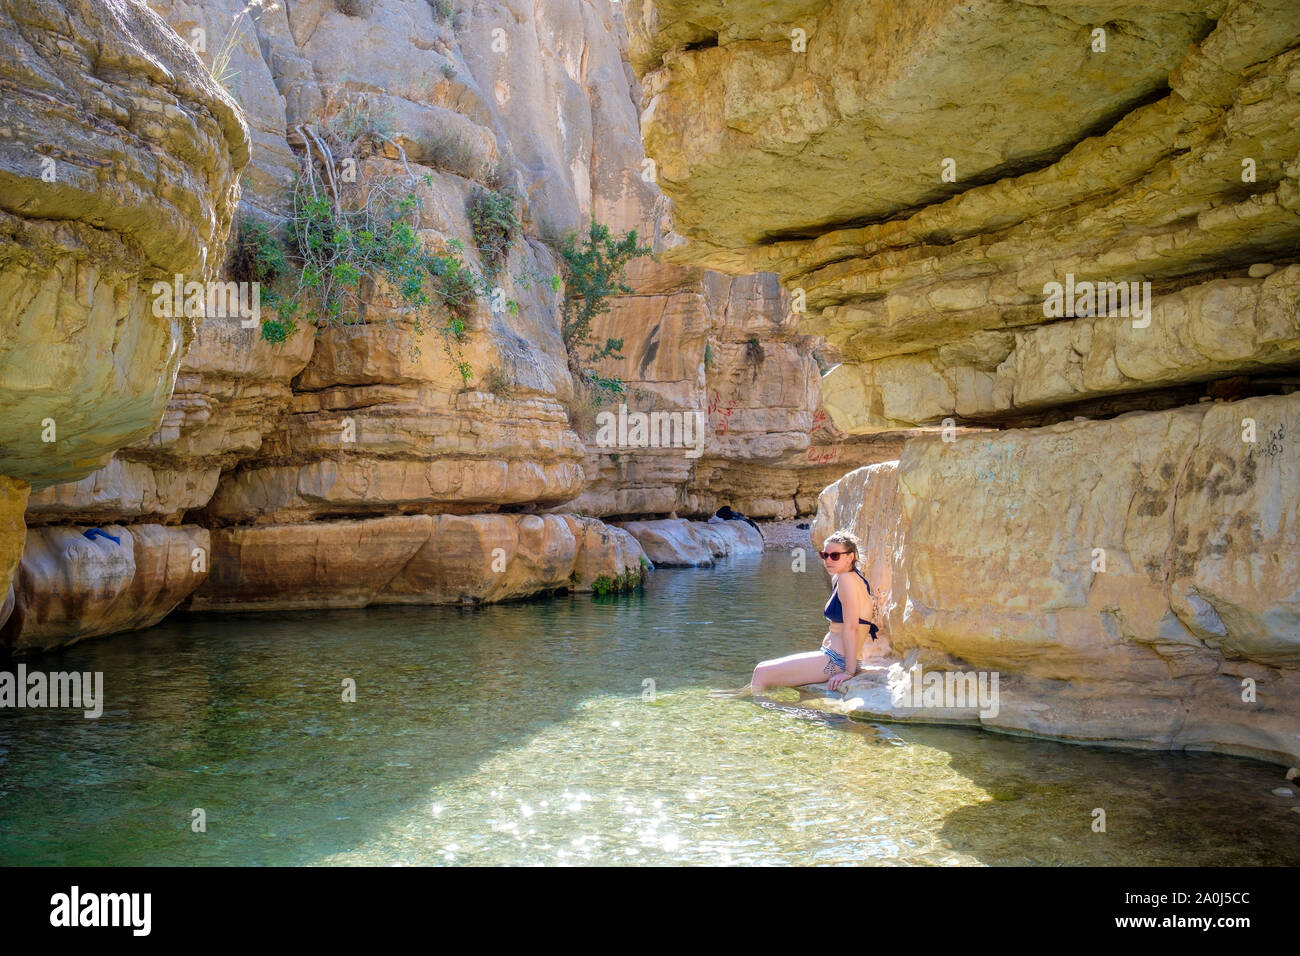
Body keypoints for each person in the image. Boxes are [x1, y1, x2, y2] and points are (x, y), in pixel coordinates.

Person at [750, 528, 880, 695]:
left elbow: (851, 627)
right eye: (825, 555)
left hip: (837, 661)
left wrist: (848, 672)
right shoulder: (843, 577)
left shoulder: (848, 580)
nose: (828, 560)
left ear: (850, 557)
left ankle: (759, 715)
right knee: (761, 672)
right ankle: (753, 702)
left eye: (835, 555)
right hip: (832, 655)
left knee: (761, 673)